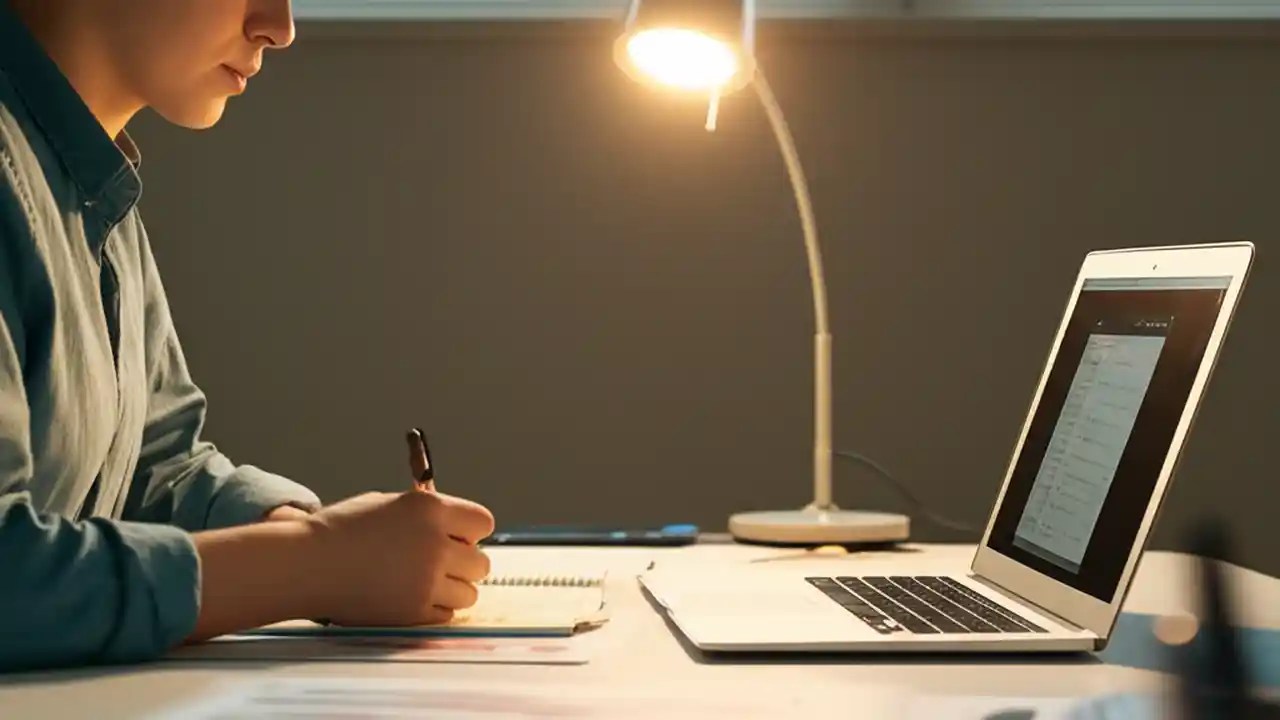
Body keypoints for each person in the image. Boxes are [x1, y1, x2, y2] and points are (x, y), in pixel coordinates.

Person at [0, 0, 495, 672]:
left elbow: (155, 469)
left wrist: (307, 538)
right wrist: (309, 566)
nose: (279, 26)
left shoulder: (87, 186)